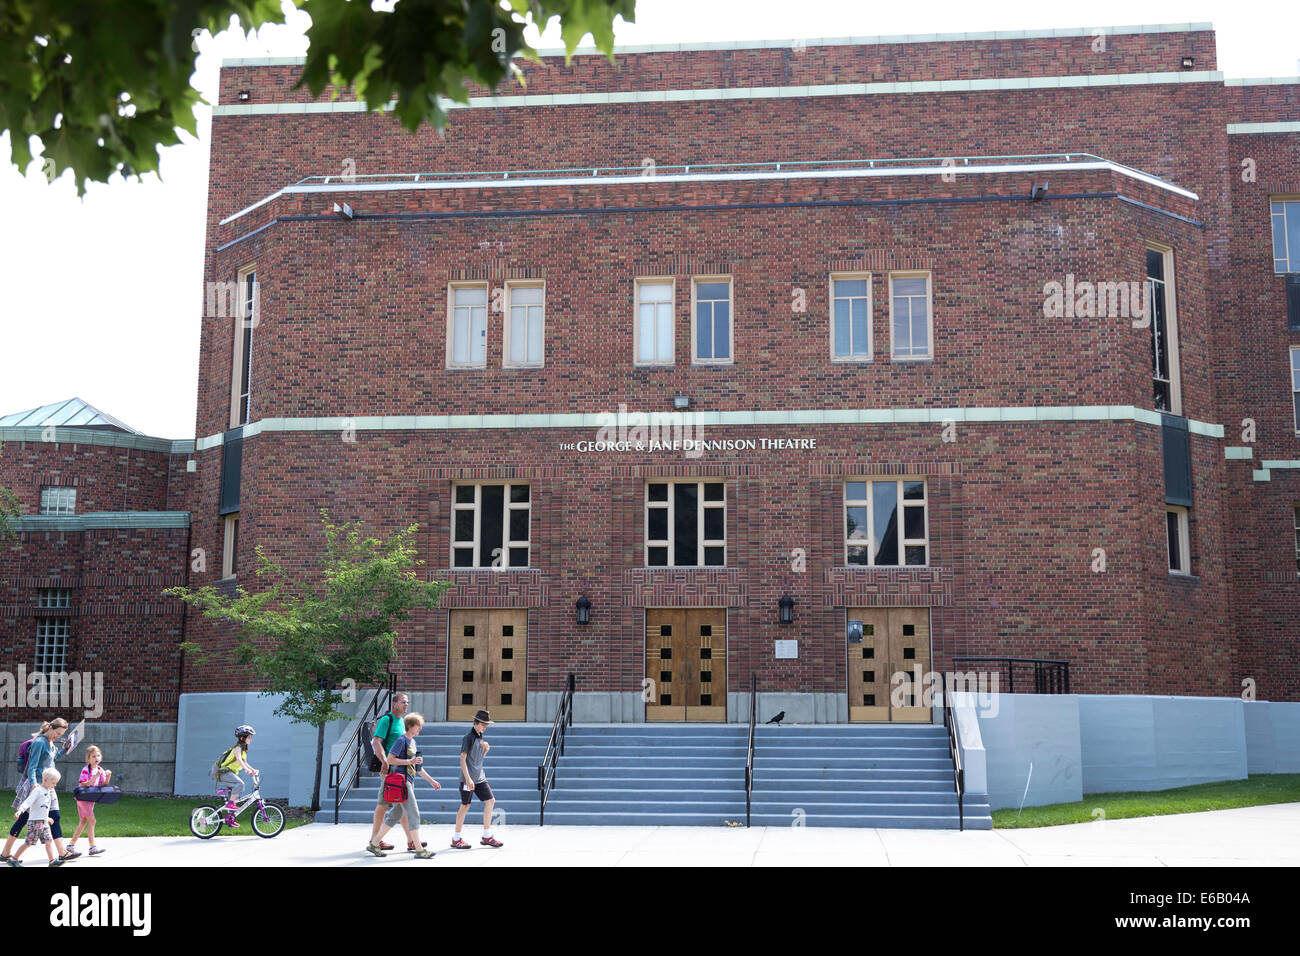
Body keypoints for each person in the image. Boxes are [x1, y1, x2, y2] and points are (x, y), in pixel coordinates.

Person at [366, 713, 439, 859]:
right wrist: (409, 762)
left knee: (395, 815)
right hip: (402, 782)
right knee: (414, 813)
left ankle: (374, 843)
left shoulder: (413, 742)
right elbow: (391, 760)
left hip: (409, 781)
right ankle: (419, 849)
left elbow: (418, 768)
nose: (420, 728)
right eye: (419, 726)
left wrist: (431, 781)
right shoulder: (401, 740)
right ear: (411, 726)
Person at [2, 718, 74, 864]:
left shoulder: (50, 743)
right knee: (23, 819)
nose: (58, 736)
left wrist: (64, 750)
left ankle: (62, 853)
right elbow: (32, 767)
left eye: (61, 735)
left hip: (48, 786)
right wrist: (34, 785)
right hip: (38, 786)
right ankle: (6, 853)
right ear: (51, 728)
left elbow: (52, 759)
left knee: (55, 816)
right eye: (58, 733)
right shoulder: (39, 742)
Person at [451, 709, 501, 849]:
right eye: (483, 724)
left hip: (480, 778)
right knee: (465, 805)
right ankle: (456, 838)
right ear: (476, 723)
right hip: (468, 779)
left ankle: (486, 835)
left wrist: (486, 749)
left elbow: (477, 760)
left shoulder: (480, 737)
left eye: (486, 725)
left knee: (490, 801)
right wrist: (468, 779)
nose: (485, 727)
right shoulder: (469, 737)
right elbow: (462, 759)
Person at [367, 692, 409, 852]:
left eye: (407, 702)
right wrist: (384, 761)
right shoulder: (387, 720)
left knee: (403, 804)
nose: (406, 705)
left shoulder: (402, 722)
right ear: (394, 703)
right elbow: (377, 742)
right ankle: (374, 840)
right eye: (403, 702)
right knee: (383, 805)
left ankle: (411, 840)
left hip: (400, 770)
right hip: (390, 770)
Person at [9, 768, 64, 867]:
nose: (54, 785)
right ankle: (14, 859)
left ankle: (52, 861)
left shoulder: (48, 792)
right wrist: (20, 810)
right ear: (45, 779)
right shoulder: (37, 790)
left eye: (56, 783)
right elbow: (28, 801)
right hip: (35, 822)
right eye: (53, 783)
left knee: (49, 841)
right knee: (29, 843)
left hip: (44, 822)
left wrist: (47, 818)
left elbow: (42, 808)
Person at [67, 745, 111, 857]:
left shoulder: (100, 769)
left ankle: (70, 846)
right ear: (88, 758)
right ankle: (92, 847)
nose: (96, 757)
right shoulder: (86, 769)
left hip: (91, 799)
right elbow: (84, 783)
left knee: (83, 822)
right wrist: (95, 776)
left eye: (98, 755)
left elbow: (104, 784)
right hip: (83, 798)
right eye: (93, 756)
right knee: (92, 821)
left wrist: (108, 776)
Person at [213, 725, 258, 828]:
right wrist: (246, 770)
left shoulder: (244, 751)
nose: (251, 739)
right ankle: (230, 804)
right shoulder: (237, 748)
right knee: (240, 784)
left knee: (234, 794)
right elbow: (239, 760)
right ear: (242, 738)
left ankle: (229, 818)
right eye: (249, 737)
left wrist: (252, 770)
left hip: (229, 773)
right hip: (223, 772)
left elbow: (245, 762)